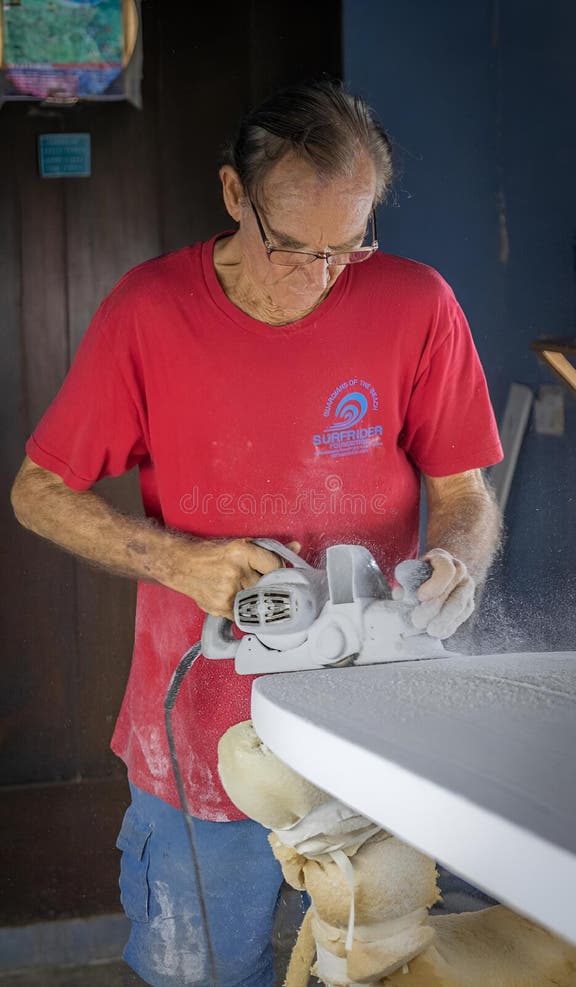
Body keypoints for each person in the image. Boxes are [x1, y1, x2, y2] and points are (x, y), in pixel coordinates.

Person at [11, 80, 503, 987]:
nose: (318, 276)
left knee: (384, 971)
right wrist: (178, 561)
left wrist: (455, 566)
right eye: (293, 248)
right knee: (203, 974)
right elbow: (37, 492)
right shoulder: (149, 311)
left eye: (346, 249)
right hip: (200, 739)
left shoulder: (417, 304)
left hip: (378, 732)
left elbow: (464, 495)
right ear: (235, 195)